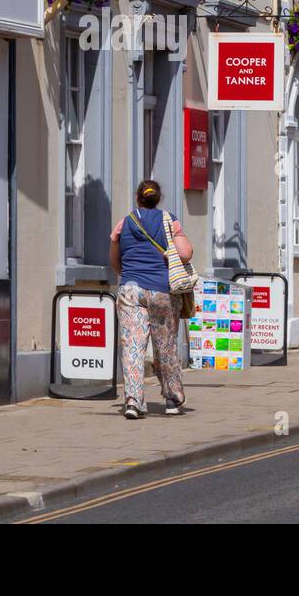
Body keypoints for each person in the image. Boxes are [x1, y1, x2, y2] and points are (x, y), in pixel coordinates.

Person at [109, 179, 192, 420]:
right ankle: (172, 398)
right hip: (162, 290)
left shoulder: (124, 223)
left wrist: (115, 239)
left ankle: (134, 402)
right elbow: (185, 254)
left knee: (132, 348)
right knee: (165, 346)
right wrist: (179, 234)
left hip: (130, 290)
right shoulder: (169, 220)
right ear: (158, 199)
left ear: (137, 199)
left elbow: (116, 265)